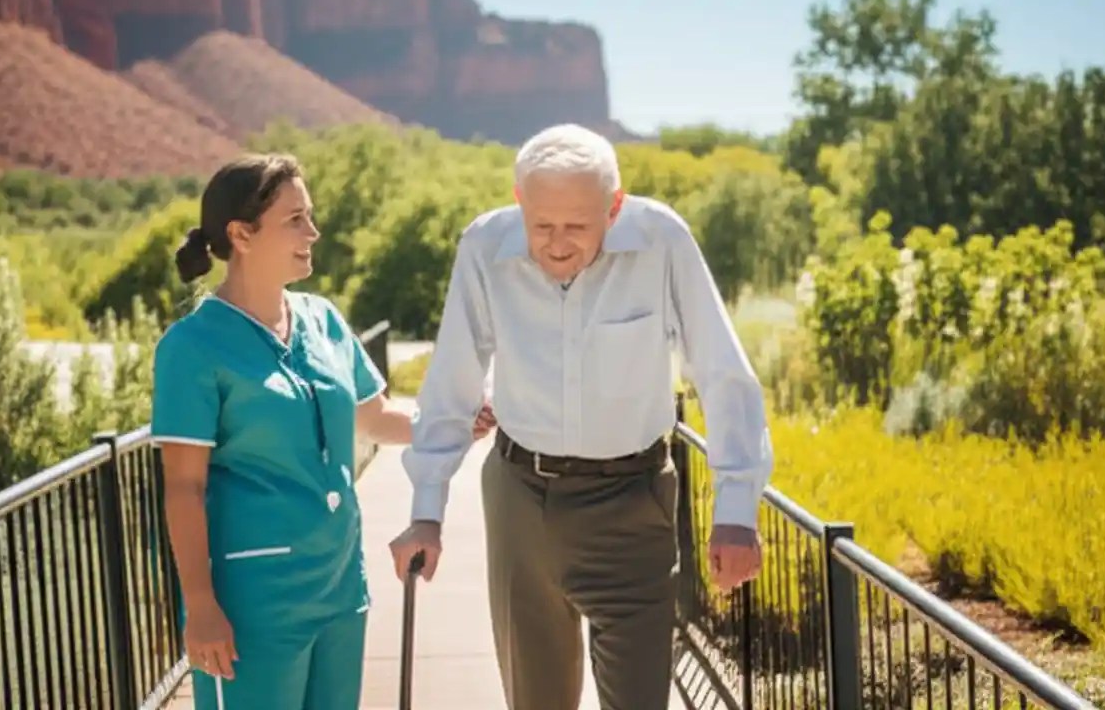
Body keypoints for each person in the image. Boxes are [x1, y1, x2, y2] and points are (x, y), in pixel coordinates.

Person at [388, 124, 774, 710]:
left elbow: (723, 373)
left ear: (614, 207)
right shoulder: (486, 246)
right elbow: (453, 381)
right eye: (542, 225)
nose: (558, 244)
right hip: (520, 498)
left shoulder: (662, 240)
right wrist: (426, 512)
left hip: (632, 500)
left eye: (577, 226)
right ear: (519, 201)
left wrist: (737, 509)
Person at [151, 153, 495, 710]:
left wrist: (454, 424)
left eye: (309, 216)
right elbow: (184, 487)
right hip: (251, 602)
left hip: (339, 587)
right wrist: (200, 605)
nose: (313, 231)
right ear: (242, 234)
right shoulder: (191, 349)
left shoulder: (322, 319)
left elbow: (374, 418)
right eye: (295, 220)